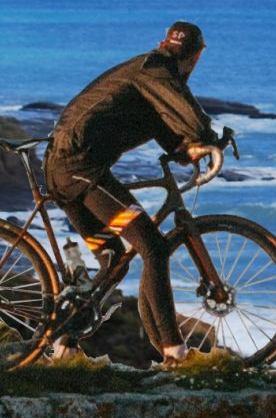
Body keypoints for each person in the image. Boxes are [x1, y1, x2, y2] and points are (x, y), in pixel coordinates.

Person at [45, 20, 221, 362]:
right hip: (79, 170)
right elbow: (189, 114)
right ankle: (174, 351)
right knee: (153, 246)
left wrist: (186, 150)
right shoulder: (157, 70)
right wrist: (209, 139)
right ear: (197, 56)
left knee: (112, 259)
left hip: (65, 169)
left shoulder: (149, 74)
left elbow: (166, 128)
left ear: (164, 43)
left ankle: (64, 344)